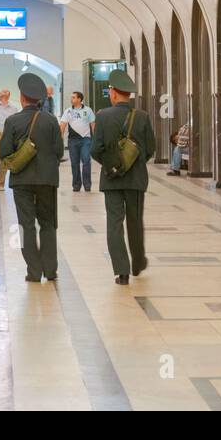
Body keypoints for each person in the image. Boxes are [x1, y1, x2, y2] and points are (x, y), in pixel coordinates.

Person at [91, 69, 157, 285]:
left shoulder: (102, 116)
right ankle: (138, 262)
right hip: (136, 179)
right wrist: (132, 163)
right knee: (135, 222)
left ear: (113, 93)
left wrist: (112, 165)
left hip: (111, 180)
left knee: (114, 223)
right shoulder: (142, 117)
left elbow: (95, 149)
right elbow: (150, 149)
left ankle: (122, 271)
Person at [0, 73, 64, 282]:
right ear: (39, 99)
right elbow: (59, 152)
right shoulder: (51, 120)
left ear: (21, 97)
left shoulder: (12, 121)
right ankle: (51, 270)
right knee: (48, 224)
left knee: (25, 224)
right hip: (47, 180)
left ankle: (34, 271)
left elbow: (3, 152)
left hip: (22, 180)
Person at [59, 91, 96, 192]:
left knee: (86, 161)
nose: (71, 99)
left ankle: (87, 185)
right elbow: (62, 125)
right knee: (74, 163)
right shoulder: (68, 111)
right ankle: (76, 185)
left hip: (85, 139)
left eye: (74, 97)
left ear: (80, 99)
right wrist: (59, 139)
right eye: (71, 97)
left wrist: (96, 139)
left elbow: (93, 125)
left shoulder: (88, 110)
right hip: (73, 141)